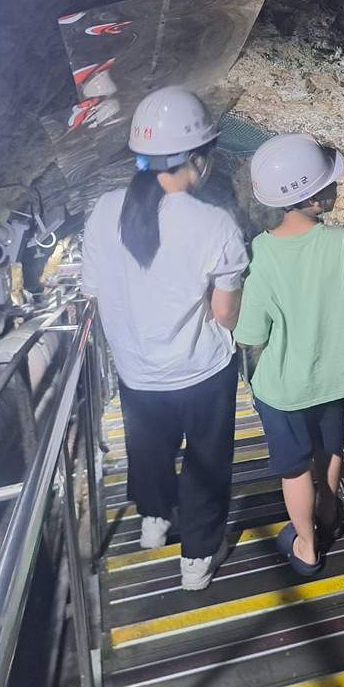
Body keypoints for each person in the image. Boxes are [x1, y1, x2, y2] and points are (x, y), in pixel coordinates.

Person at [81, 86, 247, 591]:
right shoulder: (214, 223)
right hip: (201, 372)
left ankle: (153, 519)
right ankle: (197, 558)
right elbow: (225, 315)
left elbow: (92, 291)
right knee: (204, 460)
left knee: (149, 448)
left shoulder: (102, 210)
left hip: (136, 372)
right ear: (199, 158)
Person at [234, 133, 344, 577]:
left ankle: (306, 545)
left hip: (282, 388)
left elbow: (250, 332)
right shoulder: (342, 243)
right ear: (312, 197)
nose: (336, 187)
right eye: (330, 183)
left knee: (295, 466)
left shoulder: (261, 252)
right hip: (334, 379)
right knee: (330, 450)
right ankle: (328, 516)